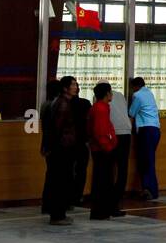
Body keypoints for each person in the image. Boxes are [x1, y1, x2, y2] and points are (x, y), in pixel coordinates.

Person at [40, 76, 77, 225]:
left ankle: (58, 212)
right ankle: (58, 215)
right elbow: (57, 128)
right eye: (73, 85)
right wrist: (51, 146)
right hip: (62, 148)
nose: (76, 87)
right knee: (61, 181)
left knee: (59, 180)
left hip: (61, 147)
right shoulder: (62, 104)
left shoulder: (62, 103)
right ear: (65, 88)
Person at [87, 82, 118, 220]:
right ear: (106, 94)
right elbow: (100, 131)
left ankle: (105, 209)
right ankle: (100, 210)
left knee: (104, 180)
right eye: (110, 92)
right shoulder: (100, 109)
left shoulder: (102, 107)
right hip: (102, 149)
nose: (112, 94)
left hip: (102, 147)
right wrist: (108, 146)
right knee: (102, 180)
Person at [128, 77, 161, 200]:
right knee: (149, 160)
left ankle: (149, 190)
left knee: (146, 161)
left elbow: (131, 113)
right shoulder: (149, 93)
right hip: (155, 130)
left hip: (145, 130)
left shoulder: (137, 95)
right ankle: (150, 189)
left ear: (135, 86)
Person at [39, 79, 63, 214]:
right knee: (55, 175)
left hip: (48, 143)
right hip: (54, 144)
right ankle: (51, 204)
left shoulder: (45, 105)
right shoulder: (54, 105)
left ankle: (47, 203)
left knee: (50, 174)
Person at [108, 84, 132, 216]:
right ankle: (116, 199)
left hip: (113, 134)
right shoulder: (121, 95)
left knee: (109, 169)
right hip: (127, 133)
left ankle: (110, 200)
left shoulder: (99, 99)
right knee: (123, 169)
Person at [69, 77, 92, 206]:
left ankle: (68, 195)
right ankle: (77, 196)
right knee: (81, 170)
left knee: (68, 170)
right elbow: (90, 121)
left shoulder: (65, 103)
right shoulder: (85, 103)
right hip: (83, 141)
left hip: (69, 142)